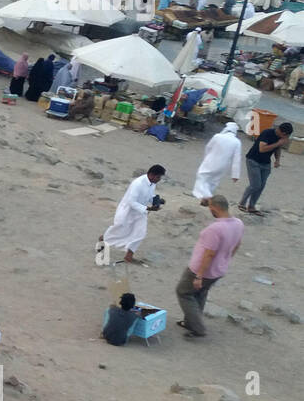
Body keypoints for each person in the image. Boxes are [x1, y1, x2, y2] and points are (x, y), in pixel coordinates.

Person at [176, 195, 244, 336]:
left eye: (210, 208)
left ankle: (197, 327)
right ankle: (190, 322)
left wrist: (199, 275)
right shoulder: (238, 223)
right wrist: (226, 259)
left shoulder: (215, 229)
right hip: (218, 270)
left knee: (183, 292)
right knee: (200, 293)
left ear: (214, 208)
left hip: (201, 270)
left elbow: (209, 254)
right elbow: (237, 244)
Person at [100, 165, 166, 264]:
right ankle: (103, 239)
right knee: (119, 231)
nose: (159, 179)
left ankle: (129, 256)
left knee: (140, 233)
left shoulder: (152, 183)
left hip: (140, 212)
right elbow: (131, 202)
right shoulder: (138, 183)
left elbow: (149, 196)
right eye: (158, 177)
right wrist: (148, 208)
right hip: (128, 211)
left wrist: (156, 201)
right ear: (152, 175)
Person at [239, 121, 292, 215]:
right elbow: (262, 149)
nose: (286, 138)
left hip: (266, 163)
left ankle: (251, 206)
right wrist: (278, 143)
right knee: (255, 184)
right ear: (283, 133)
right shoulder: (267, 133)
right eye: (287, 136)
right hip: (253, 160)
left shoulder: (280, 138)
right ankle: (242, 203)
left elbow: (278, 149)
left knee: (261, 186)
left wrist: (277, 160)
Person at [193, 122, 243, 204]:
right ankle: (205, 200)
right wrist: (235, 175)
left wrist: (205, 157)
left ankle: (209, 198)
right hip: (223, 166)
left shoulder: (217, 136)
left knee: (202, 178)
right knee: (213, 182)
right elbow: (237, 159)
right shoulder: (237, 142)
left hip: (210, 161)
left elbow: (208, 148)